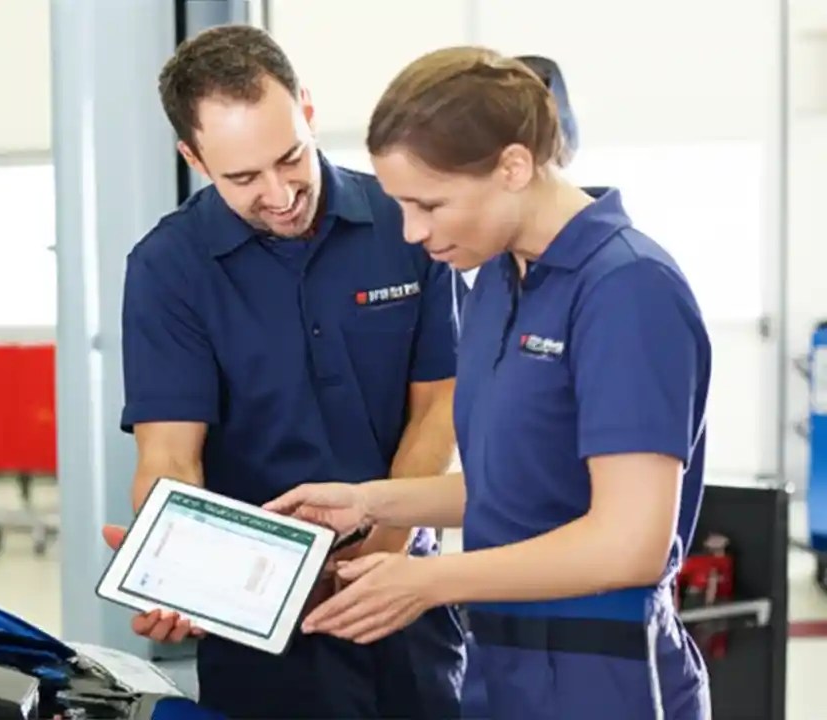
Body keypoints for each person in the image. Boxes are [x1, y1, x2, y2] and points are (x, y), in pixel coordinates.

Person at [264, 45, 713, 720]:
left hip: (604, 671)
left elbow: (630, 544)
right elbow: (518, 487)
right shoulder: (497, 282)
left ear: (513, 167)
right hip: (502, 664)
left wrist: (429, 580)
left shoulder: (628, 290)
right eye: (400, 206)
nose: (412, 232)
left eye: (429, 204)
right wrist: (369, 503)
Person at [104, 24, 466, 720]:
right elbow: (169, 456)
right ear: (193, 158)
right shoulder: (168, 268)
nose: (279, 193)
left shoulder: (405, 223)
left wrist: (374, 554)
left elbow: (440, 404)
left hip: (406, 592)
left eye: (290, 157)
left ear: (306, 109)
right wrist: (181, 572)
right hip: (261, 618)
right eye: (243, 178)